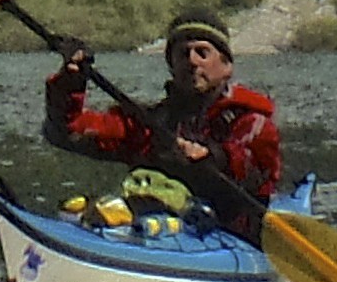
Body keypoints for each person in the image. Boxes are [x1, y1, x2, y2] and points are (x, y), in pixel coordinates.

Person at [49, 13, 282, 205]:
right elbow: (69, 131)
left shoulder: (252, 121)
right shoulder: (150, 123)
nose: (192, 61)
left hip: (232, 228)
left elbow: (256, 170)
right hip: (166, 231)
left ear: (226, 66)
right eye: (183, 53)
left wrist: (214, 157)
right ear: (171, 65)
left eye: (202, 52)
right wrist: (71, 82)